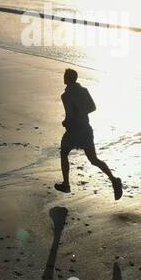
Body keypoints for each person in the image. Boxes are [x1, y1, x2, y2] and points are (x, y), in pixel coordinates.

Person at [55, 68, 122, 200]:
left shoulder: (66, 96)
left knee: (64, 153)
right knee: (93, 159)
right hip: (86, 129)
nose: (64, 77)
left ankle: (66, 184)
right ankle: (114, 179)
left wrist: (65, 122)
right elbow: (92, 107)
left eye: (65, 76)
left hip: (74, 131)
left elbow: (70, 115)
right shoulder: (84, 91)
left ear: (68, 78)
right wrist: (81, 112)